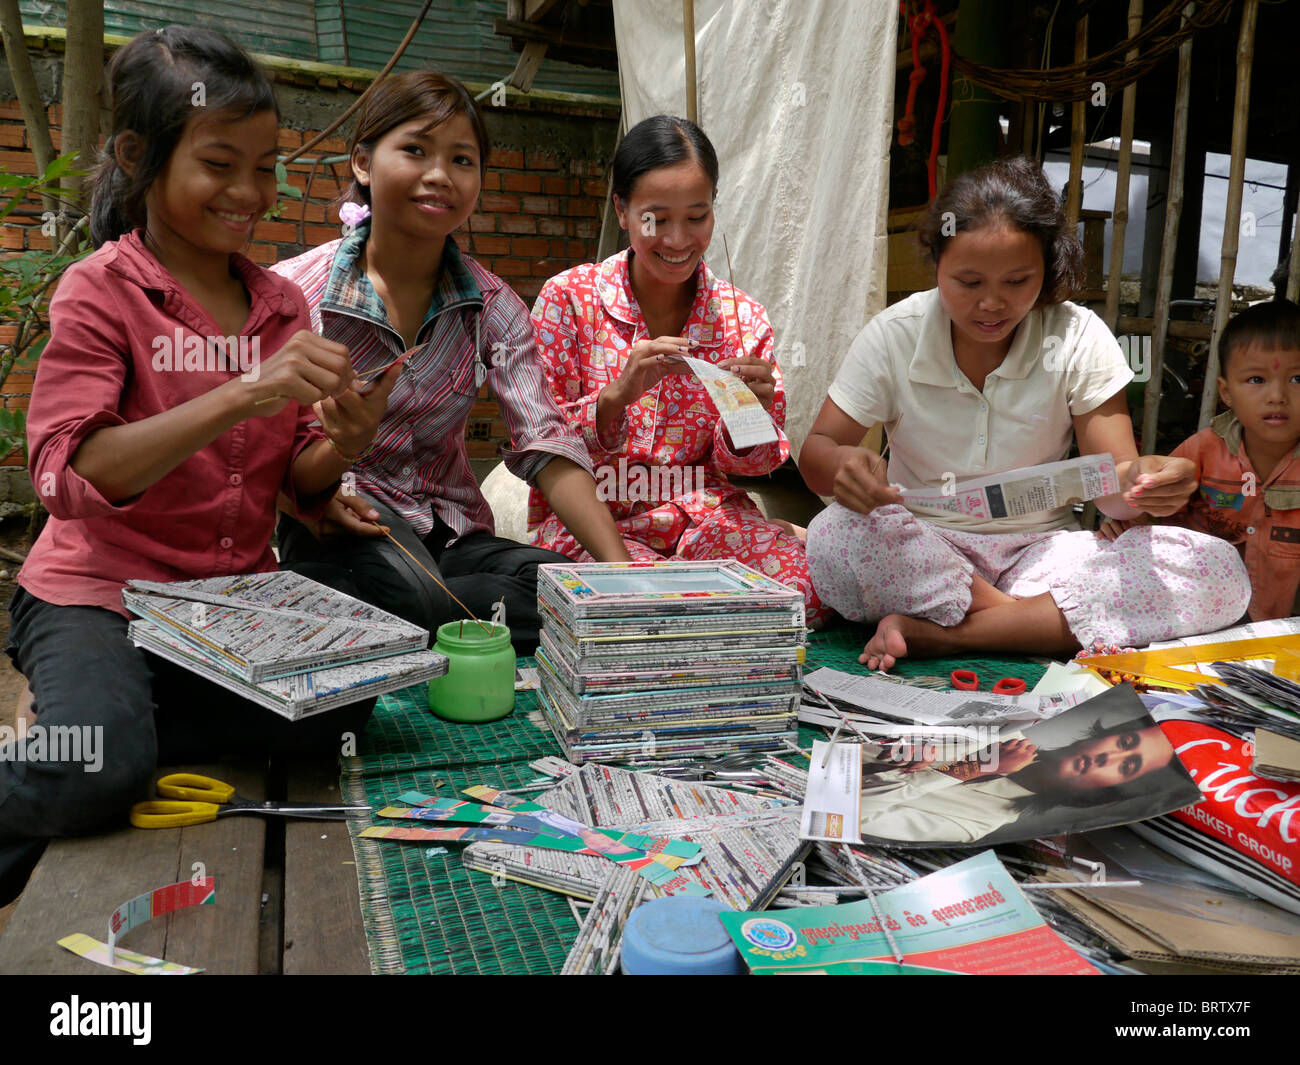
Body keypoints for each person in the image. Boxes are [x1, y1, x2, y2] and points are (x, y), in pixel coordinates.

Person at [0, 27, 382, 904]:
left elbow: (294, 478)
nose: (251, 191)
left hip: (225, 603)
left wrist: (346, 445)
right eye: (221, 163)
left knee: (349, 704)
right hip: (97, 592)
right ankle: (93, 732)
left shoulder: (282, 304)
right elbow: (65, 474)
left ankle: (87, 725)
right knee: (100, 764)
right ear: (139, 157)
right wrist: (242, 390)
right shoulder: (102, 290)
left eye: (267, 165)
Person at [800, 157, 1251, 668]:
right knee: (838, 533)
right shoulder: (894, 334)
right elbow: (817, 451)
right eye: (968, 282)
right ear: (937, 264)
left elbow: (1115, 493)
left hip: (1042, 555)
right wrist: (845, 469)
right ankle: (1026, 624)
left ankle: (951, 635)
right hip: (921, 546)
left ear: (1048, 268)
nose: (992, 304)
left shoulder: (1077, 336)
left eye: (1017, 281)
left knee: (1215, 571)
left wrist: (1145, 484)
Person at [272, 71, 630, 655]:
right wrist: (300, 503)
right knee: (417, 595)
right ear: (364, 162)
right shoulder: (294, 295)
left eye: (462, 159)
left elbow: (544, 441)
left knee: (577, 593)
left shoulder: (494, 306)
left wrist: (622, 579)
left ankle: (367, 610)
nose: (440, 175)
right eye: (415, 150)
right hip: (346, 524)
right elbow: (249, 445)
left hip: (455, 534)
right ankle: (408, 605)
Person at [529, 116, 825, 625]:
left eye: (697, 216)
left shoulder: (741, 317)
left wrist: (748, 415)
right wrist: (615, 397)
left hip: (707, 518)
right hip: (600, 522)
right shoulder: (569, 301)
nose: (678, 238)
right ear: (621, 209)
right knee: (653, 612)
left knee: (802, 597)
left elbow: (752, 467)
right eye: (656, 219)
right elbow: (540, 443)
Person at [1100, 300, 1300, 621]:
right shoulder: (1203, 451)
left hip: (1280, 636)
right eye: (1256, 380)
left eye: (1297, 379)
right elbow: (1155, 516)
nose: (1277, 396)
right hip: (1190, 622)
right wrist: (1129, 525)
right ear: (1226, 392)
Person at [858, 717, 1176, 844]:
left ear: (1106, 793)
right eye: (1123, 744)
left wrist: (971, 768)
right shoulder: (1012, 728)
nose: (1109, 758)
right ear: (1098, 737)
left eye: (1129, 766)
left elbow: (851, 813)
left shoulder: (978, 823)